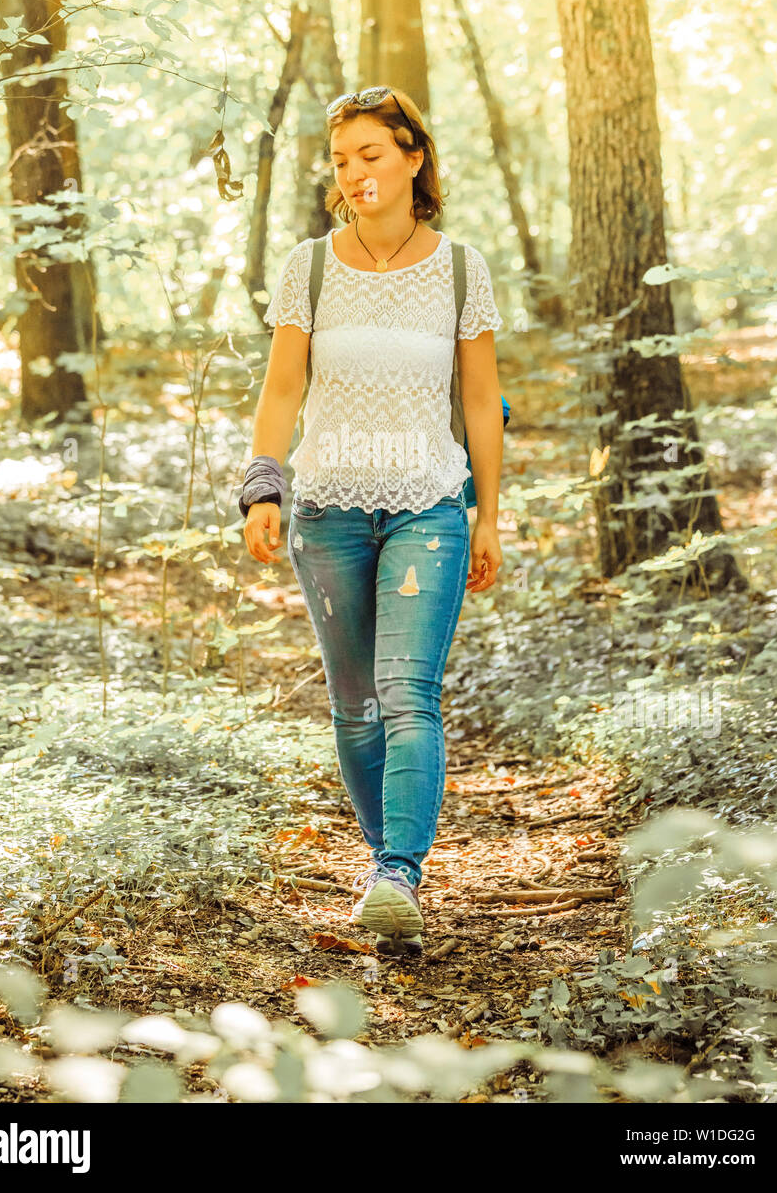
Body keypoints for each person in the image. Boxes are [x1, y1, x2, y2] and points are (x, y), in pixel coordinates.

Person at [241, 86, 504, 956]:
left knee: (406, 691)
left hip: (430, 502)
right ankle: (383, 873)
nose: (355, 174)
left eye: (373, 156)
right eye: (343, 159)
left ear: (413, 159)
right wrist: (263, 486)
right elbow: (284, 389)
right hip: (327, 511)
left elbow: (479, 400)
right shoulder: (309, 266)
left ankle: (398, 871)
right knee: (354, 706)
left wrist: (489, 515)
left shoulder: (462, 269)